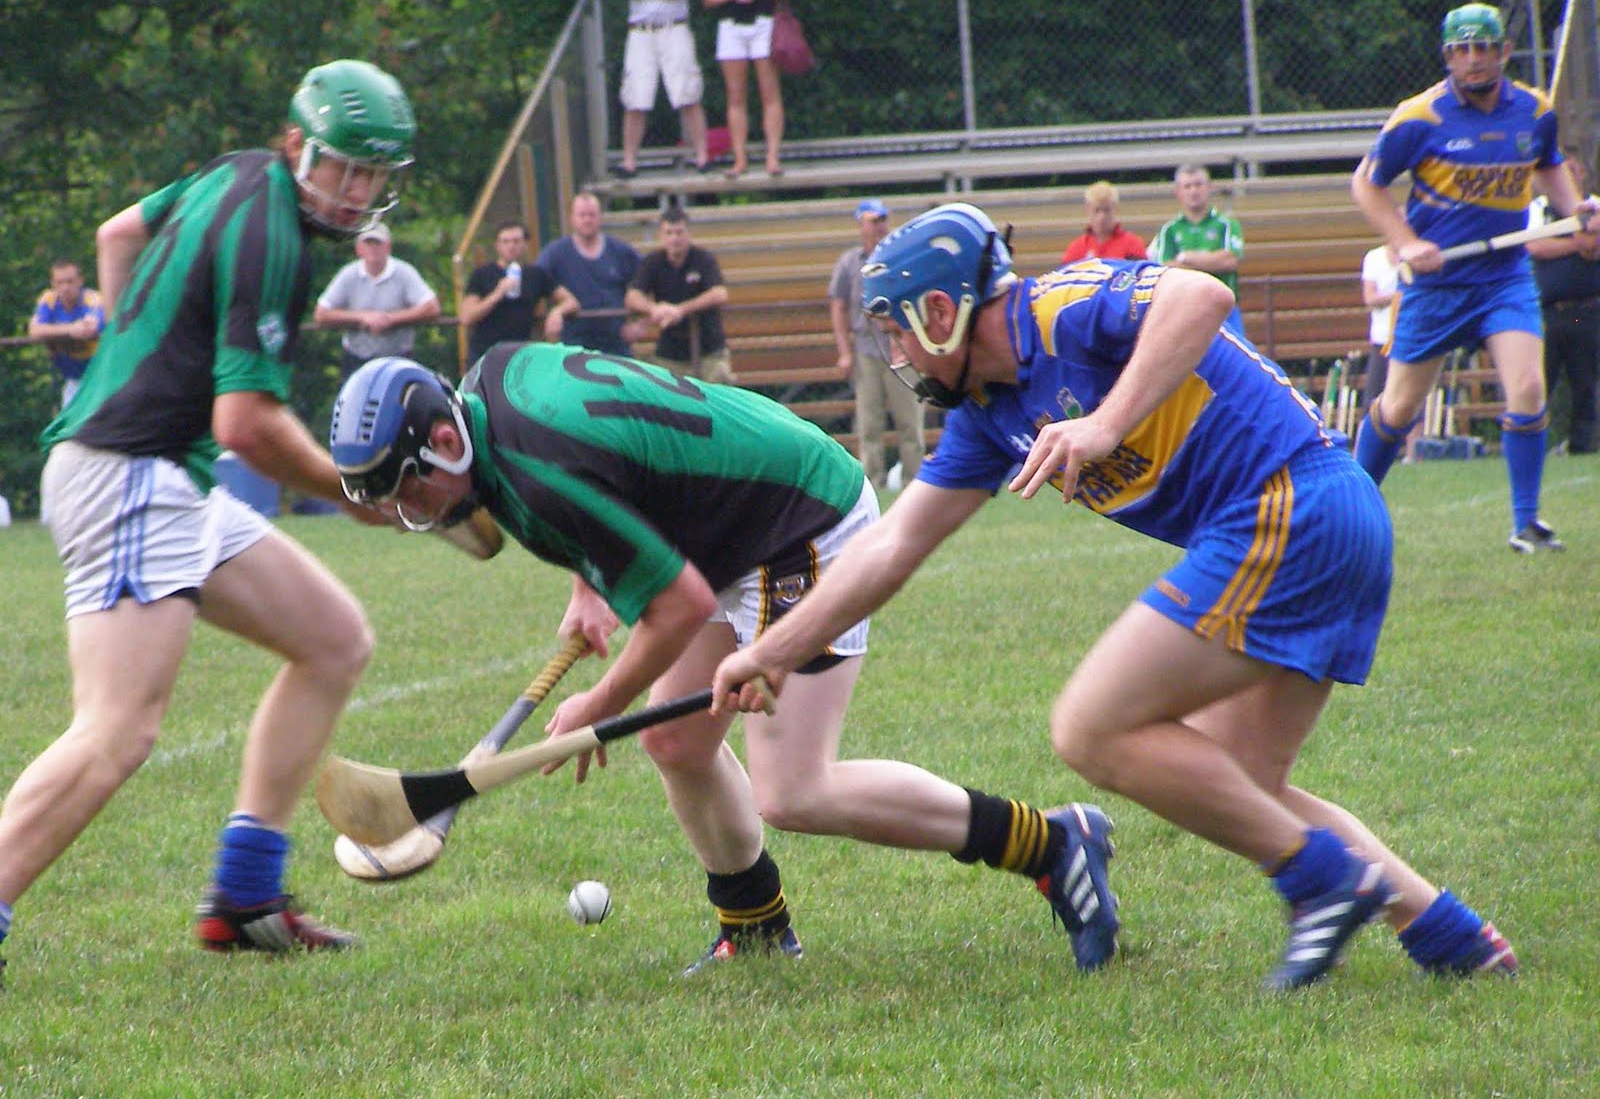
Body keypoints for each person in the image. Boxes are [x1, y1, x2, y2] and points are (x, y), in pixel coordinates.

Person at [710, 202, 1519, 990]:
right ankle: (1447, 933)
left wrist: (1103, 423)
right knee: (1239, 780)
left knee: (1090, 728)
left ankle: (1322, 882)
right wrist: (770, 651)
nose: (899, 354)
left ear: (940, 311)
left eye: (897, 333)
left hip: (1291, 508)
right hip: (1317, 524)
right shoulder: (986, 417)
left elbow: (1202, 297)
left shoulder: (1057, 306)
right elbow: (890, 546)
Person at [328, 345, 1121, 975]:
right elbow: (611, 460)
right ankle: (756, 924)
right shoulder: (488, 380)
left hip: (799, 520)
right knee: (675, 741)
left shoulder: (540, 478)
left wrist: (600, 702)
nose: (411, 517)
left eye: (407, 493)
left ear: (441, 441)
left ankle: (1049, 844)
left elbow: (672, 605)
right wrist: (589, 578)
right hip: (718, 528)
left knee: (795, 789)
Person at [0, 59, 417, 986]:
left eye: (373, 176)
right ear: (299, 145)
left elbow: (117, 232)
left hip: (164, 477)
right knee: (116, 731)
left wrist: (129, 351)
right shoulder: (276, 237)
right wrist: (358, 494)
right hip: (129, 475)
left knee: (334, 639)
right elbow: (247, 426)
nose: (355, 194)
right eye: (343, 167)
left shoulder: (232, 172)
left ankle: (244, 900)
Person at [1350, 2, 1600, 552]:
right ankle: (1351, 505)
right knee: (1399, 408)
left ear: (1503, 52)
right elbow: (1367, 185)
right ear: (1447, 57)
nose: (1473, 60)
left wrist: (1575, 206)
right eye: (1461, 50)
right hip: (1438, 285)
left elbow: (1548, 162)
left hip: (1503, 277)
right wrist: (1407, 243)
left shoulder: (1533, 109)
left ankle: (1526, 522)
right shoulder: (1419, 117)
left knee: (1528, 387)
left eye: (1483, 47)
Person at [829, 198, 924, 489]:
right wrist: (844, 352)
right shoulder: (849, 263)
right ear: (861, 226)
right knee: (869, 424)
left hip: (903, 351)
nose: (880, 226)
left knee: (910, 422)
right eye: (874, 221)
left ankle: (916, 482)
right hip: (866, 351)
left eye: (883, 219)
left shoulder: (902, 257)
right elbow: (838, 306)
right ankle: (872, 481)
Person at [1528, 148, 1600, 456]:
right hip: (1549, 312)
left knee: (1586, 384)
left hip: (1586, 310)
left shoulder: (1594, 207)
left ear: (1581, 172)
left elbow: (1593, 249)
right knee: (1540, 382)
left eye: (1572, 169)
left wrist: (1583, 244)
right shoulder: (1539, 210)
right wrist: (1575, 242)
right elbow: (1533, 246)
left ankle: (1582, 446)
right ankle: (1534, 446)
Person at [314, 222, 441, 384]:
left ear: (388, 247)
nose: (373, 248)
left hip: (399, 358)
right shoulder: (348, 274)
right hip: (356, 359)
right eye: (368, 243)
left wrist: (390, 320)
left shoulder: (403, 272)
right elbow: (321, 313)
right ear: (358, 248)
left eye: (378, 243)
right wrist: (363, 318)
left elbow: (432, 307)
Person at [625, 205, 734, 383]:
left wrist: (681, 310)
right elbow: (632, 297)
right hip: (670, 353)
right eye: (669, 233)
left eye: (679, 232)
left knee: (719, 393)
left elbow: (720, 293)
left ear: (688, 234)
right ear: (660, 236)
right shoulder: (653, 262)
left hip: (709, 350)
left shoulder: (703, 258)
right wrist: (654, 309)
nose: (674, 238)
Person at [617, 0, 713, 178]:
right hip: (640, 29)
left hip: (674, 26)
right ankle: (629, 162)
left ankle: (702, 156)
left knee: (688, 94)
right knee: (635, 97)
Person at [536, 192, 640, 357]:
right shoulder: (554, 253)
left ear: (600, 217)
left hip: (616, 349)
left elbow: (650, 283)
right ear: (572, 218)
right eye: (582, 215)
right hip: (571, 349)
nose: (587, 220)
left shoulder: (621, 251)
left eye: (592, 215)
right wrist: (554, 313)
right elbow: (535, 283)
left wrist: (641, 324)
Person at [1149, 164, 1245, 336]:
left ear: (1209, 188)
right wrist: (1210, 261)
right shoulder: (1169, 230)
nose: (1193, 191)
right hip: (1185, 311)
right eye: (1187, 186)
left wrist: (1188, 258)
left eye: (1198, 185)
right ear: (1178, 191)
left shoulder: (1227, 224)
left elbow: (1229, 261)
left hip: (1224, 310)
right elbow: (1166, 270)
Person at [460, 220, 566, 369]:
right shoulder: (482, 274)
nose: (511, 246)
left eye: (516, 241)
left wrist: (557, 312)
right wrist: (498, 293)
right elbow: (466, 317)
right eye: (506, 241)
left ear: (525, 244)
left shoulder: (536, 274)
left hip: (520, 356)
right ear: (497, 245)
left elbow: (570, 301)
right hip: (485, 356)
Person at [703, 0, 784, 178]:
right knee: (735, 97)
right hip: (730, 26)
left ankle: (772, 157)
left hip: (764, 23)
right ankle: (739, 159)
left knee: (770, 93)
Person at [1358, 243, 1421, 462]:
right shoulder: (1374, 258)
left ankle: (1413, 455)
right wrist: (1397, 296)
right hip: (1382, 339)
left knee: (1411, 397)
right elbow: (1370, 298)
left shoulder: (1414, 257)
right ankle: (1363, 456)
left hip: (1410, 337)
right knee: (1372, 398)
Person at [27, 259, 105, 412]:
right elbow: (35, 331)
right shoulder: (49, 300)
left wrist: (53, 330)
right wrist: (70, 329)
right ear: (53, 284)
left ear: (80, 281)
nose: (65, 287)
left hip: (102, 379)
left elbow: (89, 329)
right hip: (74, 380)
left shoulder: (93, 300)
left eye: (70, 281)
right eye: (60, 282)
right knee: (69, 431)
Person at [1060, 181, 1147, 264]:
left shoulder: (1132, 245)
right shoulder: (1077, 249)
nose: (1102, 217)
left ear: (1116, 209)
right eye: (1096, 210)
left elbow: (1141, 276)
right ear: (1087, 210)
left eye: (1106, 210)